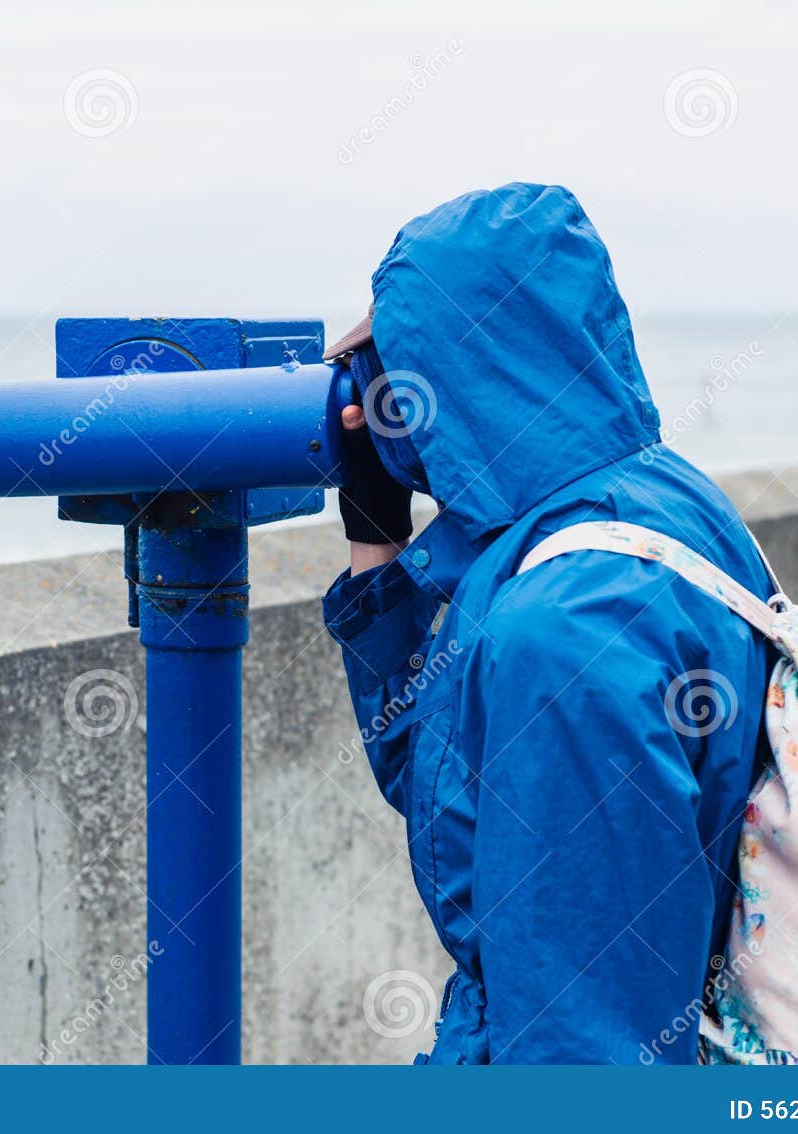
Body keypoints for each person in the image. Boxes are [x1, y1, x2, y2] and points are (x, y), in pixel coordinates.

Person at [323, 183, 775, 1064]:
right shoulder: (654, 505)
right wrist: (376, 531)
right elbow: (451, 783)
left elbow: (584, 1043)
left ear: (439, 379)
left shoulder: (564, 630)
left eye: (383, 365)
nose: (367, 394)